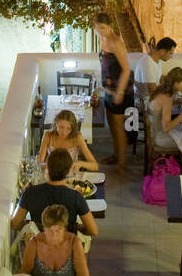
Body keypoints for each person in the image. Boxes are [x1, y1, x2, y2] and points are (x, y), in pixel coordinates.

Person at [11, 149, 98, 237]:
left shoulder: (30, 193)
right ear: (68, 171)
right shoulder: (76, 197)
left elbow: (15, 224)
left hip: (39, 247)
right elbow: (93, 230)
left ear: (47, 168)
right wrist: (77, 228)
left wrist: (30, 226)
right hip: (66, 248)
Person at [19, 205, 90, 276]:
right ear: (44, 228)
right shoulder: (34, 244)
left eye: (58, 230)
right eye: (49, 230)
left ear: (64, 228)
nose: (54, 235)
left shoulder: (74, 243)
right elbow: (23, 275)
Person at [95, 12, 133, 170]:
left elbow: (126, 69)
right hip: (110, 91)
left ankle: (122, 166)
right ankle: (115, 156)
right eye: (97, 28)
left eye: (103, 27)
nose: (100, 31)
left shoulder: (116, 42)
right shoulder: (103, 39)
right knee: (111, 125)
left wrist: (120, 93)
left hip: (121, 92)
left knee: (119, 129)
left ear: (110, 26)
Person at [147, 66, 182, 163]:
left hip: (154, 132)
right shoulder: (166, 99)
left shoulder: (162, 90)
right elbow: (166, 128)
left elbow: (162, 107)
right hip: (159, 138)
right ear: (176, 83)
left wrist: (177, 101)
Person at [37, 109, 98, 174]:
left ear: (73, 128)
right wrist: (51, 165)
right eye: (61, 127)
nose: (64, 132)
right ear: (56, 124)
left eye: (68, 128)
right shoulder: (48, 136)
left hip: (70, 174)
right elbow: (39, 164)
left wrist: (80, 163)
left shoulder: (77, 137)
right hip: (52, 174)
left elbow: (95, 166)